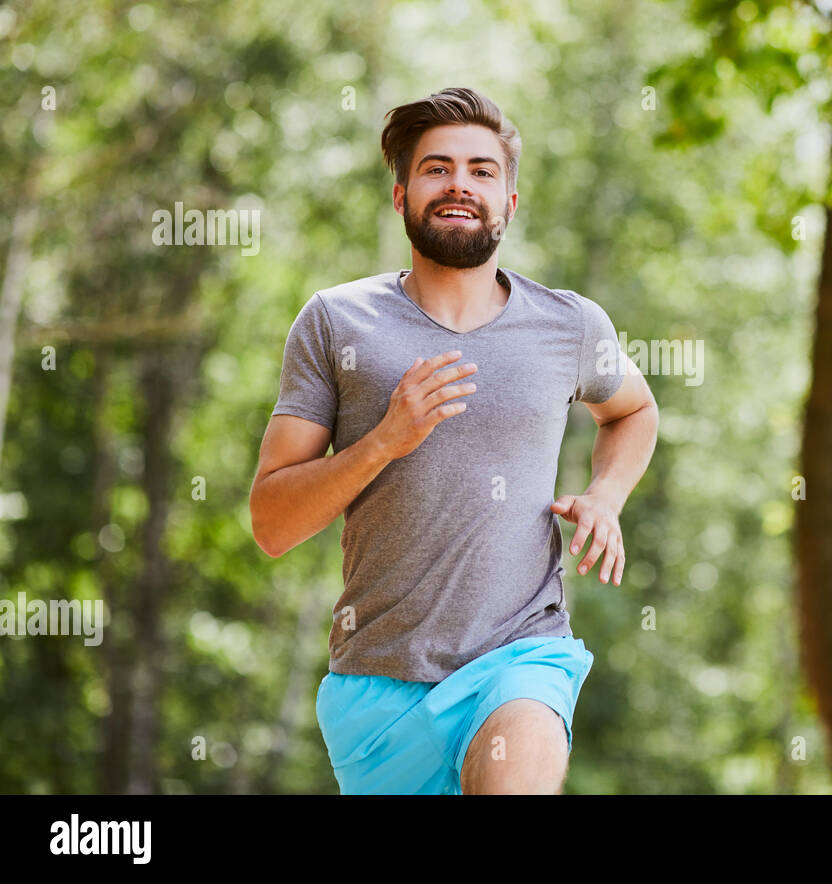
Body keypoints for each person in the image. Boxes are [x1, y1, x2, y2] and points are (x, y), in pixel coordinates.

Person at [248, 87, 659, 794]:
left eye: (482, 170)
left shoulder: (570, 325)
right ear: (402, 194)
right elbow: (272, 523)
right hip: (376, 685)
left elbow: (633, 410)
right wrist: (383, 440)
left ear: (510, 200)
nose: (460, 184)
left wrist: (606, 495)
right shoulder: (335, 323)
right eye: (438, 169)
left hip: (522, 656)